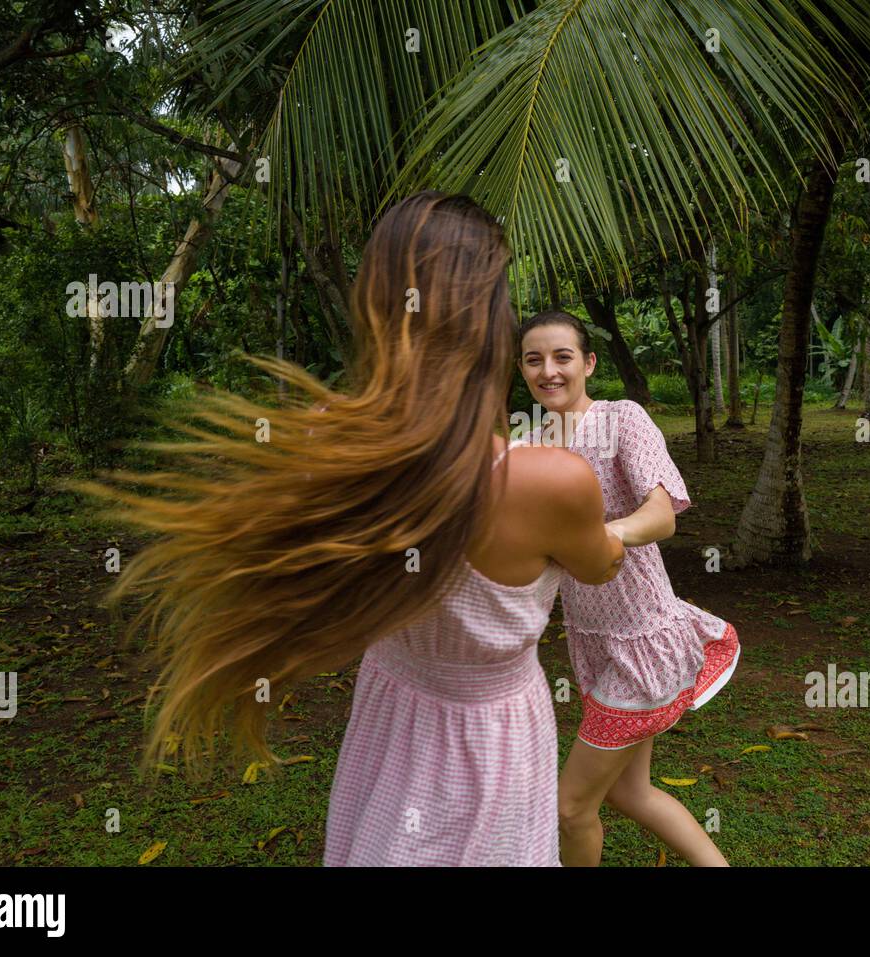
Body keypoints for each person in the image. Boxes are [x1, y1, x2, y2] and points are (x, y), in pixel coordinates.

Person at [77, 193, 623, 866]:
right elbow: (600, 564)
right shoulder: (555, 482)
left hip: (392, 715)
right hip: (497, 732)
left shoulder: (342, 458)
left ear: (378, 307)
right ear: (490, 320)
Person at [517, 309, 741, 866]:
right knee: (627, 791)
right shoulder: (528, 445)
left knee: (570, 808)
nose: (549, 370)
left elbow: (662, 515)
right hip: (594, 640)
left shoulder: (622, 418)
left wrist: (595, 539)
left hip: (643, 644)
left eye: (562, 357)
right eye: (533, 360)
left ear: (588, 363)